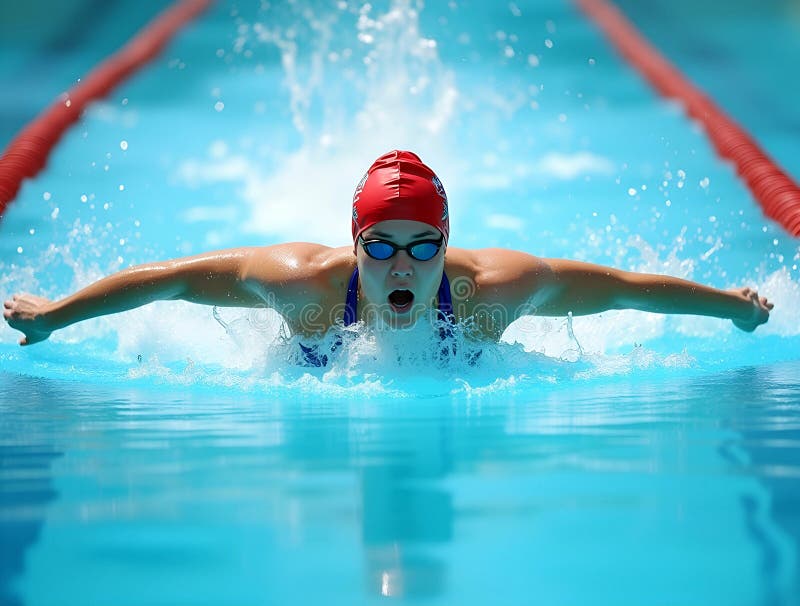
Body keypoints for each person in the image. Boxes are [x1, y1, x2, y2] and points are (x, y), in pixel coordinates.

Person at [3, 150, 773, 363]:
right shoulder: (306, 288)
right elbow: (171, 280)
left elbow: (624, 290)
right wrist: (55, 316)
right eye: (380, 246)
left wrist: (732, 310)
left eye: (423, 245)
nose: (402, 267)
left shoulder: (490, 293)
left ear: (446, 244)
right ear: (355, 244)